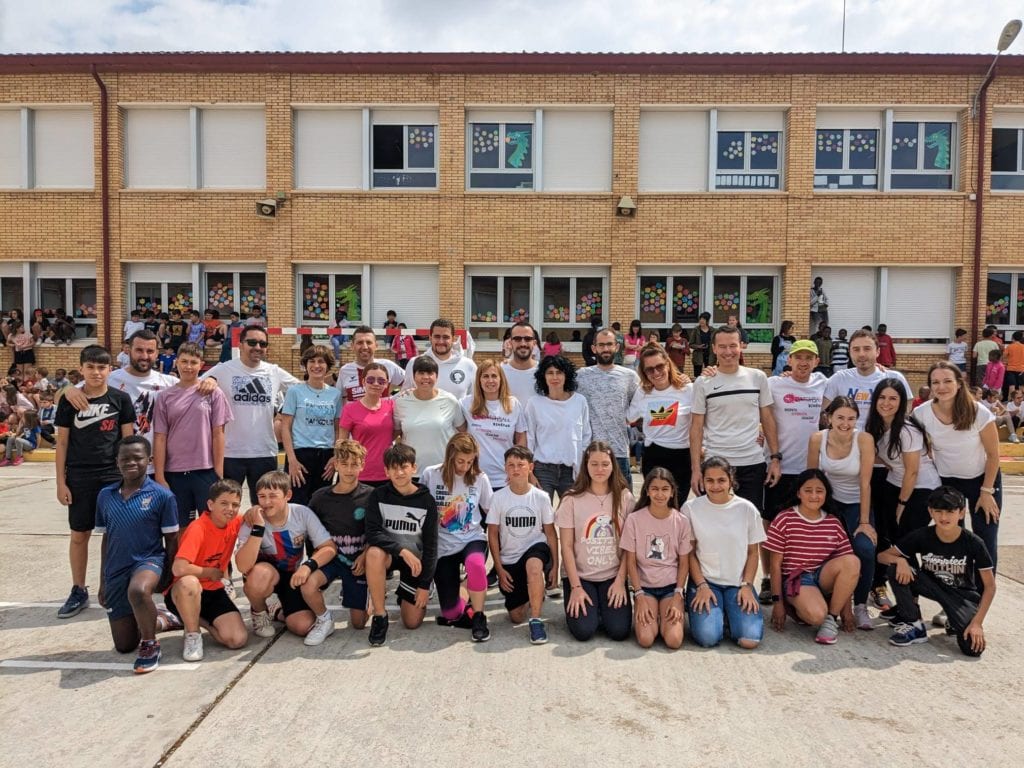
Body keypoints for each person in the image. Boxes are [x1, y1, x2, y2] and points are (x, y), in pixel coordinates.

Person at [54, 345, 137, 619]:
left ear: (109, 370)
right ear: (82, 369)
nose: (96, 372)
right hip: (78, 477)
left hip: (112, 476)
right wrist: (60, 482)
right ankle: (78, 589)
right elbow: (62, 443)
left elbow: (128, 444)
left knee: (116, 535)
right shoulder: (70, 400)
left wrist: (129, 481)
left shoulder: (121, 400)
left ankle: (114, 585)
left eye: (101, 367)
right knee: (80, 534)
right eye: (90, 367)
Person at [95, 436, 180, 673]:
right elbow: (106, 538)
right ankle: (162, 618)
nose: (130, 462)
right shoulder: (105, 496)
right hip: (116, 568)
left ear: (150, 460)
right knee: (124, 645)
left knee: (139, 590)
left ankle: (151, 644)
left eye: (137, 458)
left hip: (149, 560)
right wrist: (103, 581)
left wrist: (169, 574)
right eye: (125, 459)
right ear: (117, 462)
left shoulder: (162, 496)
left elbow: (172, 539)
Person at [878, 486, 995, 655]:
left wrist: (977, 622)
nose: (944, 517)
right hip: (930, 585)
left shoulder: (974, 542)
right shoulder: (923, 535)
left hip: (961, 595)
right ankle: (914, 624)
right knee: (895, 569)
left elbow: (990, 587)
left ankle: (954, 619)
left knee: (972, 648)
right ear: (930, 512)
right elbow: (882, 556)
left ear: (961, 513)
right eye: (938, 511)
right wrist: (899, 560)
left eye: (950, 512)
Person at [915, 360, 1001, 577]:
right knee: (952, 539)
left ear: (959, 384)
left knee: (985, 538)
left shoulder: (978, 412)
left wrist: (987, 491)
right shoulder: (922, 413)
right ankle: (958, 594)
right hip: (948, 482)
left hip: (983, 480)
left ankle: (981, 596)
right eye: (935, 382)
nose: (941, 387)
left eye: (947, 381)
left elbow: (993, 455)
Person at [235, 470, 340, 641]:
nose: (267, 502)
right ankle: (260, 612)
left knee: (302, 625)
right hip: (264, 574)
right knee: (259, 575)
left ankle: (277, 610)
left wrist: (308, 565)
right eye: (261, 496)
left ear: (288, 495)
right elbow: (242, 566)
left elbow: (328, 548)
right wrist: (258, 528)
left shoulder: (301, 513)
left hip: (291, 576)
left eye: (273, 496)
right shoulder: (253, 519)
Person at [759, 339, 828, 600]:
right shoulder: (774, 383)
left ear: (816, 362)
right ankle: (767, 578)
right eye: (797, 357)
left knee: (804, 525)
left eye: (808, 358)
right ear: (788, 360)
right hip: (777, 465)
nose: (803, 362)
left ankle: (799, 575)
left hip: (809, 469)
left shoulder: (824, 383)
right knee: (770, 523)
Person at [689, 325, 781, 515]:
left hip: (752, 464)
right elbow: (696, 428)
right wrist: (696, 470)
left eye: (733, 346)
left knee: (751, 527)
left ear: (741, 346)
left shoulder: (758, 377)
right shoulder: (703, 382)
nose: (728, 352)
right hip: (715, 465)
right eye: (722, 347)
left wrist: (775, 458)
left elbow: (768, 418)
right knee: (713, 525)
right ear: (714, 348)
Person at [202, 326, 299, 504]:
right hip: (230, 453)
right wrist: (209, 380)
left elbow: (302, 390)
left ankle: (259, 534)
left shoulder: (274, 371)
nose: (257, 347)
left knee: (265, 507)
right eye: (252, 342)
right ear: (240, 344)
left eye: (262, 343)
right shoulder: (223, 370)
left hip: (264, 452)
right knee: (226, 507)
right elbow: (195, 387)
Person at [765, 469, 859, 645]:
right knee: (815, 617)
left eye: (819, 491)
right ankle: (802, 608)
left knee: (852, 561)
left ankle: (831, 619)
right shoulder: (784, 519)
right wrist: (777, 603)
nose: (814, 495)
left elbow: (847, 571)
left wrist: (847, 610)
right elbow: (775, 566)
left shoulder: (833, 522)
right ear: (798, 493)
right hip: (797, 580)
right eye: (808, 490)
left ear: (826, 494)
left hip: (822, 577)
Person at [807, 396, 877, 630]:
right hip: (830, 504)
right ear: (829, 417)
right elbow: (812, 480)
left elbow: (866, 483)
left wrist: (865, 522)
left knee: (865, 549)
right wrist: (813, 517)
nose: (845, 423)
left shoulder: (864, 439)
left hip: (858, 503)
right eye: (840, 417)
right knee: (831, 552)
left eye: (851, 418)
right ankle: (831, 600)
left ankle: (860, 605)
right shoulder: (818, 438)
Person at [683, 457, 765, 649]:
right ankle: (720, 614)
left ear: (730, 480)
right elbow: (690, 553)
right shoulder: (691, 508)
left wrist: (747, 585)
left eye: (721, 480)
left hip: (737, 583)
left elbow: (753, 552)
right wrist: (701, 585)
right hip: (706, 582)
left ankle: (729, 612)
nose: (715, 486)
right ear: (702, 481)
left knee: (749, 640)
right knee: (708, 638)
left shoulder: (747, 509)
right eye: (709, 480)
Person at [557, 441, 634, 642]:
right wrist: (575, 587)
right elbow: (565, 546)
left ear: (613, 466)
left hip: (612, 576)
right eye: (594, 464)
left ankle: (602, 607)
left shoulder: (625, 497)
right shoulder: (571, 499)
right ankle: (594, 607)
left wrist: (620, 581)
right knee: (584, 631)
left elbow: (629, 545)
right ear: (586, 465)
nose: (600, 469)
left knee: (619, 631)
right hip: (581, 576)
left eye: (605, 464)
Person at [363, 443, 439, 647]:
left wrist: (424, 584)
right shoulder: (378, 495)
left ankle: (408, 592)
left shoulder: (426, 501)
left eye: (403, 466)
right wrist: (401, 550)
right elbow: (372, 533)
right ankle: (380, 615)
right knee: (374, 554)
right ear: (386, 471)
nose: (399, 472)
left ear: (414, 468)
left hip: (415, 562)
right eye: (393, 468)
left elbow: (432, 548)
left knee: (412, 622)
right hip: (391, 556)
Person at [420, 433, 494, 641]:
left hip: (472, 539)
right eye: (461, 461)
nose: (465, 466)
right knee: (452, 614)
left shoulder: (480, 478)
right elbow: (423, 510)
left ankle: (479, 615)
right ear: (450, 456)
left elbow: (492, 511)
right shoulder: (431, 474)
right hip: (443, 545)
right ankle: (467, 587)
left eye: (470, 461)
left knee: (476, 565)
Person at [165, 479, 248, 661]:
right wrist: (208, 572)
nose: (230, 509)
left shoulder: (235, 522)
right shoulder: (198, 528)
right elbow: (179, 568)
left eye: (235, 505)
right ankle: (193, 634)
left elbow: (251, 515)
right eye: (224, 503)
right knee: (189, 582)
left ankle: (191, 619)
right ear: (210, 504)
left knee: (237, 639)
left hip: (213, 590)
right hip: (186, 590)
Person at [153, 342, 231, 529]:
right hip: (175, 472)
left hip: (205, 470)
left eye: (193, 362)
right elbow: (160, 437)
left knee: (212, 525)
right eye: (184, 361)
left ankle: (212, 559)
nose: (188, 367)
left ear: (201, 364)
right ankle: (182, 559)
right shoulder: (165, 397)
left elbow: (218, 433)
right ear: (176, 362)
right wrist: (160, 475)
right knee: (180, 528)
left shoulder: (213, 393)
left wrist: (218, 472)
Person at [487, 445, 558, 645]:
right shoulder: (498, 498)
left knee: (534, 567)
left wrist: (555, 566)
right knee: (516, 616)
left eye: (521, 464)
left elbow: (551, 534)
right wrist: (499, 568)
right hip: (510, 558)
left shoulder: (541, 497)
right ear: (505, 468)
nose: (516, 469)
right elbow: (492, 534)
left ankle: (536, 620)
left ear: (531, 467)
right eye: (511, 465)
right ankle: (535, 593)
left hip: (535, 549)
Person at [620, 467, 691, 650]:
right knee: (646, 639)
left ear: (672, 491)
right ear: (647, 491)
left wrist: (678, 594)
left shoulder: (681, 521)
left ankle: (664, 617)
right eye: (655, 489)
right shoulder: (634, 519)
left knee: (673, 640)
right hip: (645, 588)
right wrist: (639, 594)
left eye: (665, 489)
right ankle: (653, 616)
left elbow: (684, 562)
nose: (660, 494)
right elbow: (631, 561)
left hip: (670, 588)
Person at [308, 439, 373, 634]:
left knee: (359, 624)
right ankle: (323, 620)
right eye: (344, 464)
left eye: (354, 464)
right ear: (335, 464)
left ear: (362, 465)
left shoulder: (371, 496)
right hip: (331, 559)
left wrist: (365, 556)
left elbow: (377, 533)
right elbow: (308, 529)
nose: (349, 469)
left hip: (357, 561)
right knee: (308, 584)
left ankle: (368, 593)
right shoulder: (320, 497)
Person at [280, 344, 342, 506]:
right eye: (312, 361)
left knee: (320, 505)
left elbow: (337, 429)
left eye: (321, 362)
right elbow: (285, 427)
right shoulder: (295, 391)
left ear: (327, 366)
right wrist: (291, 460)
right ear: (305, 365)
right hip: (300, 455)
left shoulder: (335, 394)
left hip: (326, 456)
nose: (316, 366)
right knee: (296, 505)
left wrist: (336, 456)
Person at [627, 343, 693, 493]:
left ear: (668, 364)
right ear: (644, 372)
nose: (656, 372)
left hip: (682, 456)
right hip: (653, 456)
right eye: (649, 369)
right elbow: (629, 417)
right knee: (656, 506)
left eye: (660, 366)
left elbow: (702, 420)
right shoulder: (642, 392)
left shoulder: (688, 389)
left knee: (678, 505)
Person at [576, 328, 641, 481]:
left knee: (625, 502)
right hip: (590, 452)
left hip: (619, 452)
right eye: (601, 345)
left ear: (617, 347)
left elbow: (642, 402)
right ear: (594, 348)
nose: (606, 349)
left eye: (609, 344)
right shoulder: (581, 376)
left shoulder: (630, 377)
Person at [524, 355, 591, 500]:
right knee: (542, 517)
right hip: (542, 470)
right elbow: (529, 439)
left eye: (559, 372)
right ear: (543, 376)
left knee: (570, 518)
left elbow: (586, 436)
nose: (555, 377)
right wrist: (529, 473)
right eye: (550, 373)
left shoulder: (579, 401)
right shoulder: (534, 403)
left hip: (571, 471)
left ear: (566, 375)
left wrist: (582, 470)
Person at [822, 329, 911, 428]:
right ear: (850, 353)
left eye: (867, 349)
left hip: (883, 441)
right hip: (848, 441)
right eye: (856, 349)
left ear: (877, 351)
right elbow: (819, 407)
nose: (861, 354)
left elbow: (907, 408)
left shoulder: (894, 378)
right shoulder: (839, 378)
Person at [460, 360, 526, 491]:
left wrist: (517, 468)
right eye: (485, 376)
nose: (490, 380)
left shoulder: (513, 404)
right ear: (479, 380)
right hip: (474, 477)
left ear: (501, 379)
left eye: (494, 376)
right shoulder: (466, 404)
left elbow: (521, 438)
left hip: (505, 478)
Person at [393, 355, 466, 474]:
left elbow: (463, 433)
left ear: (436, 376)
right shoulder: (401, 402)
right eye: (421, 373)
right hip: (411, 473)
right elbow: (396, 434)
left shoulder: (450, 401)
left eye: (430, 373)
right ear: (414, 376)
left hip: (443, 472)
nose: (425, 377)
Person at [338, 361, 397, 486]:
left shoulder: (391, 406)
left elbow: (397, 432)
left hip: (387, 473)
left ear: (386, 384)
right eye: (371, 380)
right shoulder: (350, 409)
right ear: (363, 382)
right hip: (360, 473)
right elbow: (341, 444)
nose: (376, 384)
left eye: (381, 381)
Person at [404, 319, 477, 400]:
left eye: (446, 337)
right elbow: (405, 395)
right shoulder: (414, 363)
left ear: (453, 339)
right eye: (437, 336)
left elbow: (474, 400)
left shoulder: (468, 365)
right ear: (430, 338)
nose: (441, 341)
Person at [335, 325, 405, 406]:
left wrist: (393, 399)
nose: (365, 347)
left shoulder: (387, 365)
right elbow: (340, 399)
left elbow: (412, 383)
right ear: (352, 346)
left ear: (376, 346)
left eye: (369, 342)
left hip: (383, 418)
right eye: (360, 343)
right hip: (354, 418)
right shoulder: (345, 370)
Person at [501, 322, 539, 406]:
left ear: (534, 343)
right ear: (510, 343)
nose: (523, 344)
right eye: (517, 339)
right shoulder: (500, 371)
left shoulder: (544, 371)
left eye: (528, 339)